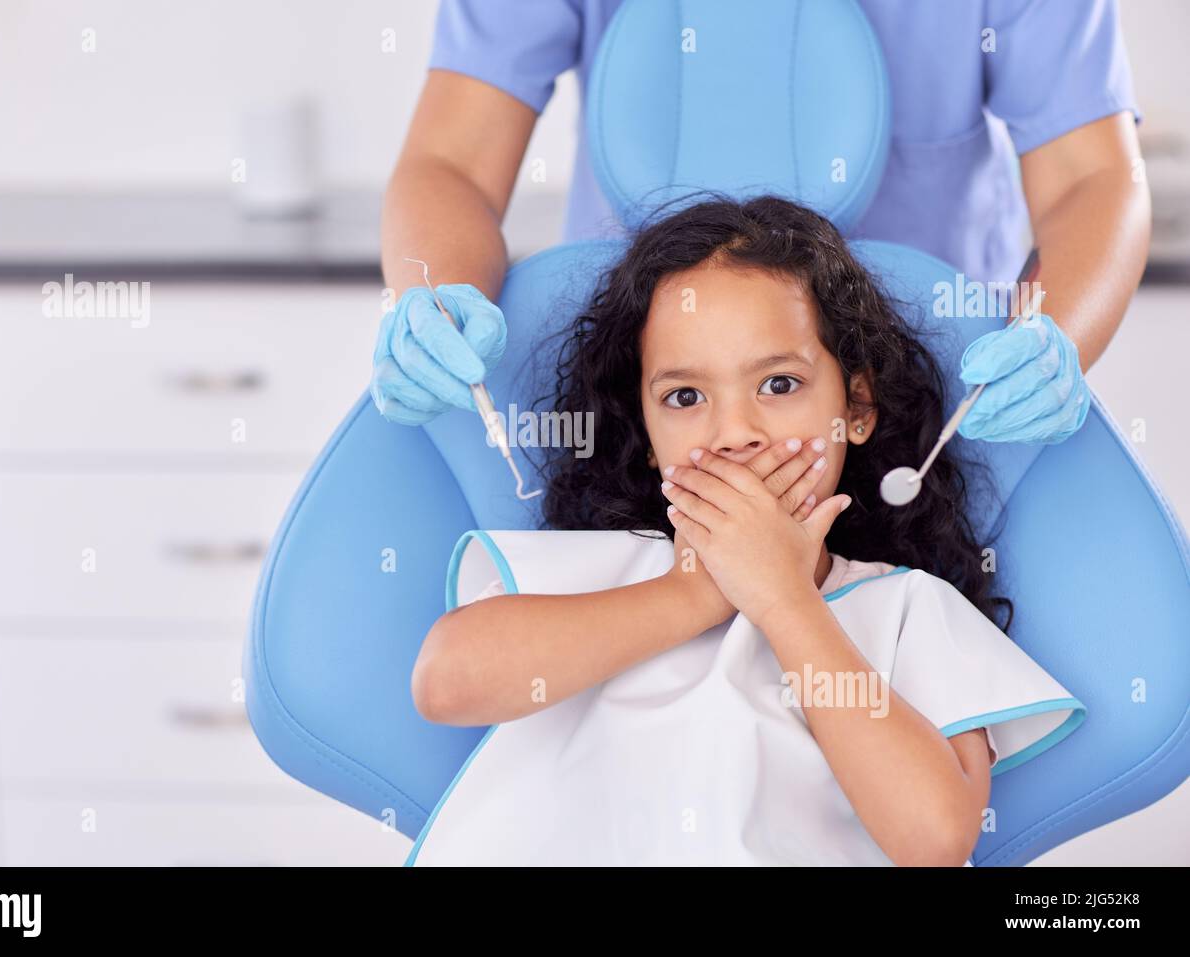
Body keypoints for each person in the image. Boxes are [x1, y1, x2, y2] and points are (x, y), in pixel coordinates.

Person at [405, 195, 1085, 866]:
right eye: (685, 397)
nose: (734, 434)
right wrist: (696, 594)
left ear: (856, 405)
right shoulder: (601, 570)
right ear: (646, 436)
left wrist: (782, 598)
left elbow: (936, 839)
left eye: (779, 384)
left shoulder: (909, 610)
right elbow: (446, 683)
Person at [372, 0, 1150, 446]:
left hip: (938, 405)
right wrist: (436, 301)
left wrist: (1053, 341)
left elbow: (1093, 178)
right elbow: (454, 163)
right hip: (641, 418)